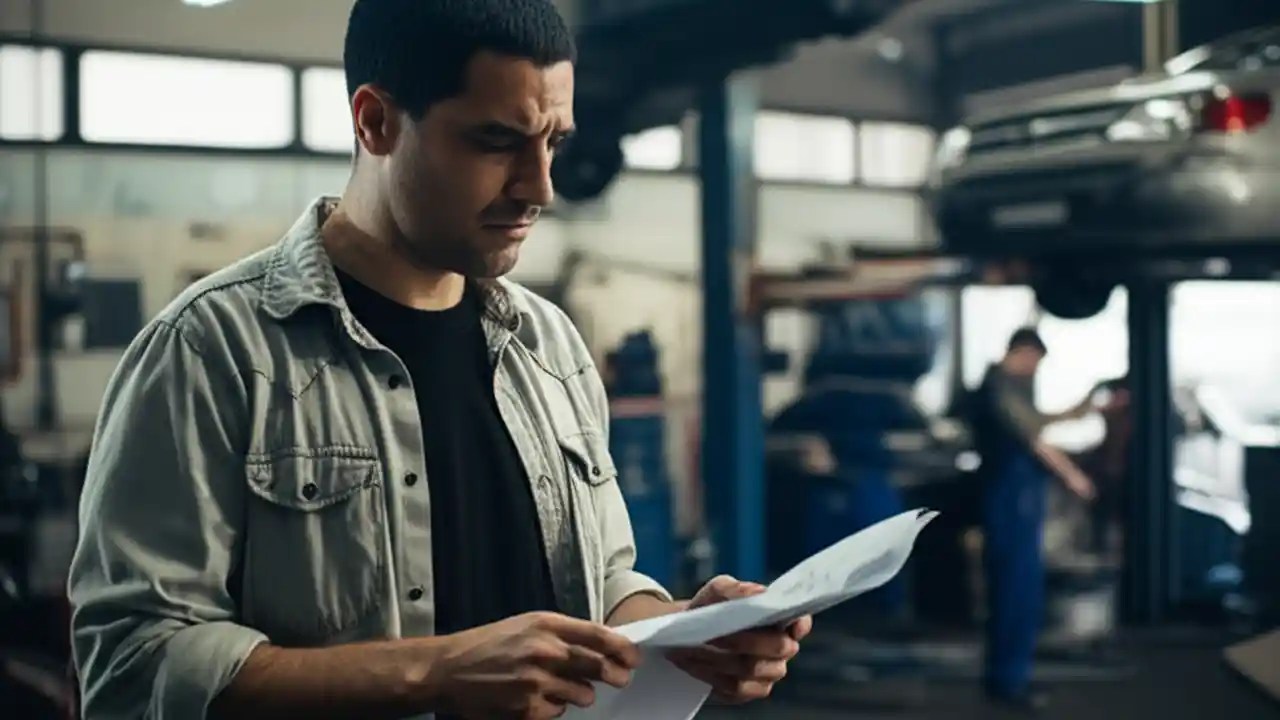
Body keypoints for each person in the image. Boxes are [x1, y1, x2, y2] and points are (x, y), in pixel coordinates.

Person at [66, 2, 811, 718]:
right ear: (376, 121)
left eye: (553, 142)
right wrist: (436, 672)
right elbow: (135, 664)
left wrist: (683, 631)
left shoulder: (548, 348)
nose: (539, 186)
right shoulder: (213, 352)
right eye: (496, 141)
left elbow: (602, 578)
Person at [969, 327, 1097, 712]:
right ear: (1023, 352)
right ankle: (1008, 682)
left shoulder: (1009, 388)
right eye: (1034, 362)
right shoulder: (999, 388)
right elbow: (1032, 436)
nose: (1034, 370)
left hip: (1014, 501)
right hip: (1010, 502)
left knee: (1017, 592)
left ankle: (1008, 678)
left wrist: (1079, 411)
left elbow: (1034, 423)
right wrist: (1072, 474)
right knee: (1015, 592)